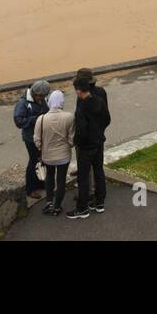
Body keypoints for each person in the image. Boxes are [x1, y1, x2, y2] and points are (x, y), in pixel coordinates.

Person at [67, 74, 111, 219]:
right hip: (99, 142)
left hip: (87, 146)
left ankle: (82, 208)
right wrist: (98, 132)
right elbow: (107, 119)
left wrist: (78, 142)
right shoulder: (99, 101)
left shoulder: (81, 107)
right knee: (99, 172)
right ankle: (99, 203)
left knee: (83, 177)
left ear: (79, 91)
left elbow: (81, 130)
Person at [34, 89, 75, 215]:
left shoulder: (41, 119)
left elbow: (37, 140)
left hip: (48, 156)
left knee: (49, 178)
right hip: (64, 156)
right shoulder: (69, 117)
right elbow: (72, 139)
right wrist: (67, 145)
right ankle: (57, 206)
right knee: (61, 180)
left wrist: (43, 148)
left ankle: (49, 202)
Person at [13, 79, 51, 199]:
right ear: (35, 93)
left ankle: (40, 182)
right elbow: (18, 121)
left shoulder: (41, 100)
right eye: (41, 96)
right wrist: (34, 119)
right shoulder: (23, 103)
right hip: (30, 138)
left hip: (42, 135)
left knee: (42, 159)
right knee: (33, 161)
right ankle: (30, 189)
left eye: (44, 97)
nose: (42, 99)